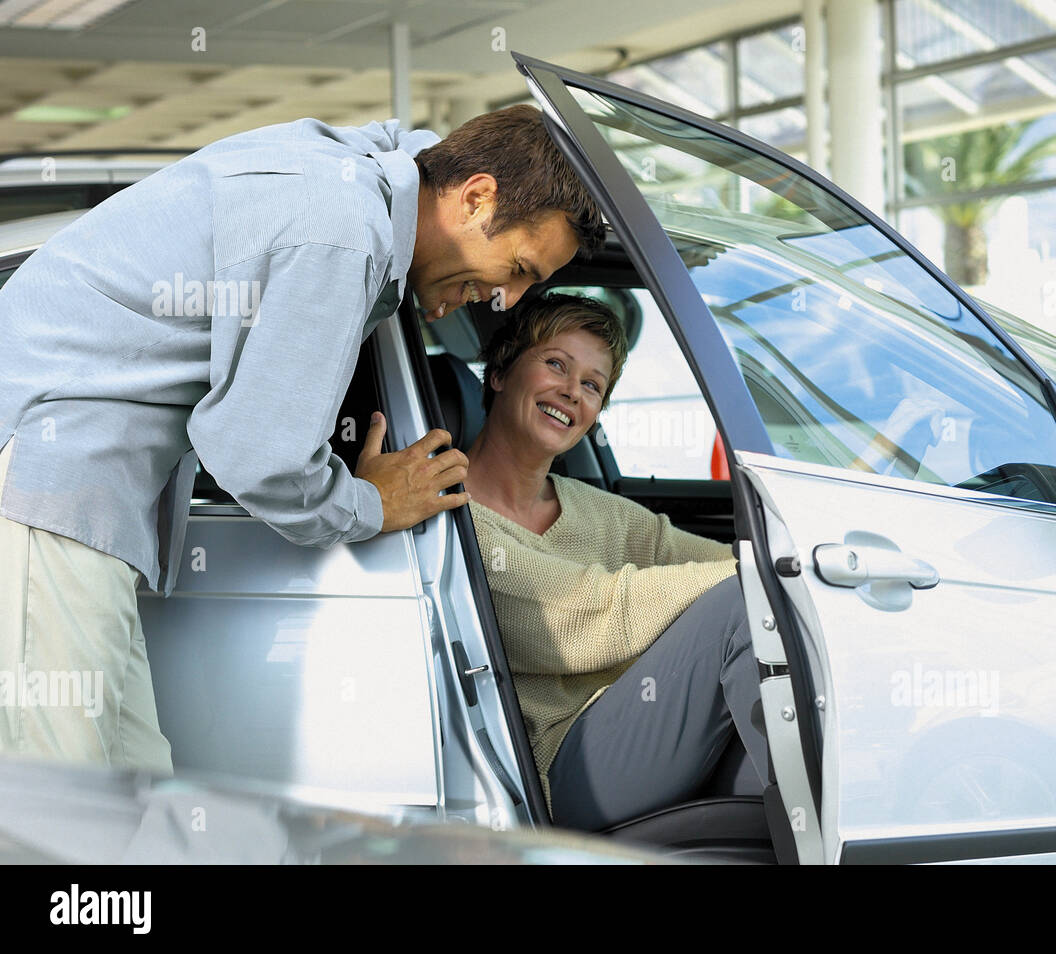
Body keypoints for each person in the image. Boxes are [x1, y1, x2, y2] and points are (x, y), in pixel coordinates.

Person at [0, 105, 603, 774]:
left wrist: (441, 273)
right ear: (476, 196)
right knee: (62, 797)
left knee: (133, 788)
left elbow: (418, 153)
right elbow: (259, 453)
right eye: (517, 268)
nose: (509, 299)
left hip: (75, 494)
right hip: (43, 481)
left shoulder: (359, 187)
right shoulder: (339, 234)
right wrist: (368, 503)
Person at [463, 292, 772, 830]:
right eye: (555, 364)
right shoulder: (450, 514)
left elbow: (713, 559)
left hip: (640, 732)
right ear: (500, 373)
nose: (570, 391)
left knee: (771, 772)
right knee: (750, 602)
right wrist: (773, 573)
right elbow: (594, 611)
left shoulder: (600, 512)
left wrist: (784, 572)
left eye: (591, 385)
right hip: (561, 769)